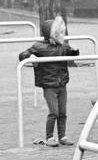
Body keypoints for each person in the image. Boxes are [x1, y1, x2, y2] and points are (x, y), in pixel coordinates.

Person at [19, 16, 80, 147]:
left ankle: (62, 136)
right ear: (52, 35)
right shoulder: (39, 47)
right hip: (49, 86)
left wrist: (75, 50)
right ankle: (50, 137)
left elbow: (72, 53)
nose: (62, 36)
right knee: (54, 112)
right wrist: (30, 56)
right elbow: (22, 54)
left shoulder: (63, 46)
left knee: (62, 112)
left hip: (62, 84)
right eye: (60, 33)